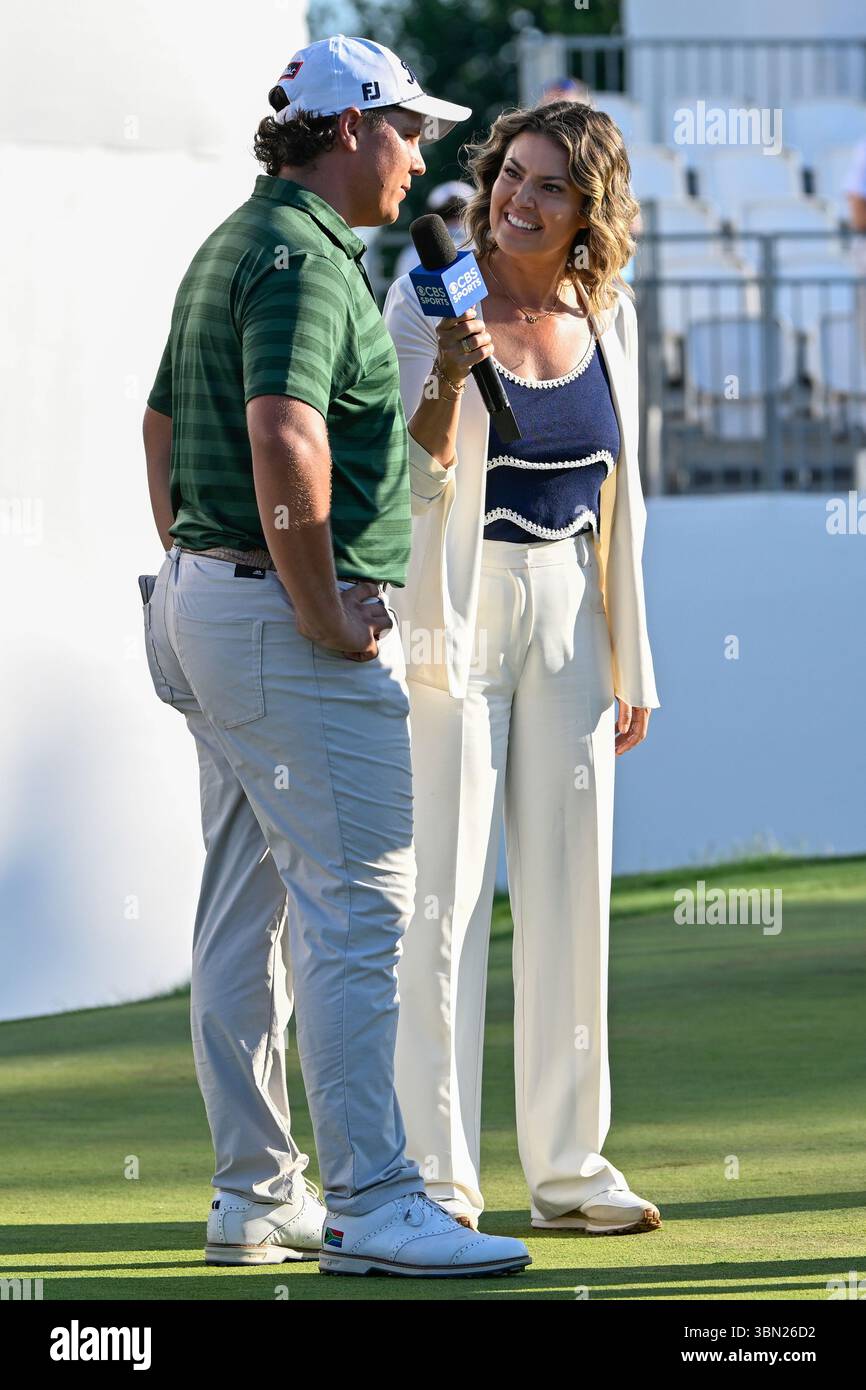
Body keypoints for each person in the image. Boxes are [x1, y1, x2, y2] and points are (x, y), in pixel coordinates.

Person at [140, 34, 529, 1278]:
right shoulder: (305, 263)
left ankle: (256, 1195)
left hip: (210, 607)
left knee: (242, 916)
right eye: (409, 129)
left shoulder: (238, 240)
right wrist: (306, 601)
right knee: (360, 910)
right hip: (276, 623)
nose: (425, 158)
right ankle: (372, 1198)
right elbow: (283, 438)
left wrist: (207, 566)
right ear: (351, 127)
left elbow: (160, 426)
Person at [383, 99, 662, 1234]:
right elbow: (408, 475)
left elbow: (621, 494)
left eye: (549, 185)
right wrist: (450, 373)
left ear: (587, 211)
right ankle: (438, 1185)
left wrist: (627, 654)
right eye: (509, 173)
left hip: (570, 617)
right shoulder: (422, 296)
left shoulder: (610, 312)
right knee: (437, 907)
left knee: (570, 897)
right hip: (455, 613)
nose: (516, 198)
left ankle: (568, 1173)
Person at [393, 179, 475, 280]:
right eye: (445, 214)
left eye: (463, 212)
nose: (455, 220)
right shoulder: (412, 256)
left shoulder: (490, 250)